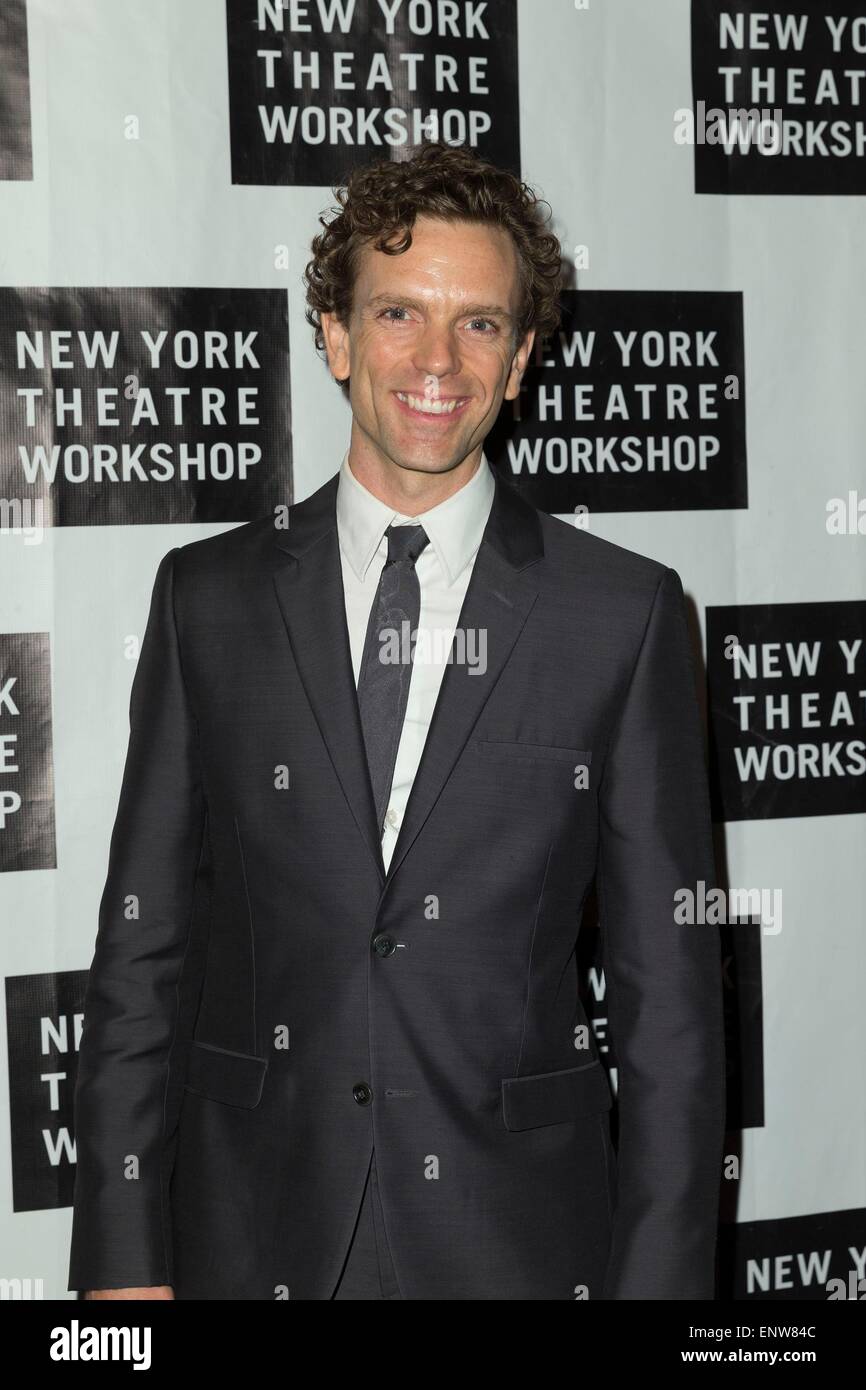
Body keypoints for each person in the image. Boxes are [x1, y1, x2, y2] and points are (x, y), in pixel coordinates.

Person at [69, 140, 725, 1301]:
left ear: (520, 358)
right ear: (333, 333)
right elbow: (144, 955)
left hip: (515, 1247)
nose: (436, 360)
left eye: (478, 324)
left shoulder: (619, 614)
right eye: (397, 314)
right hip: (248, 1235)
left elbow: (669, 1012)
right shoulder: (206, 598)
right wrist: (121, 1267)